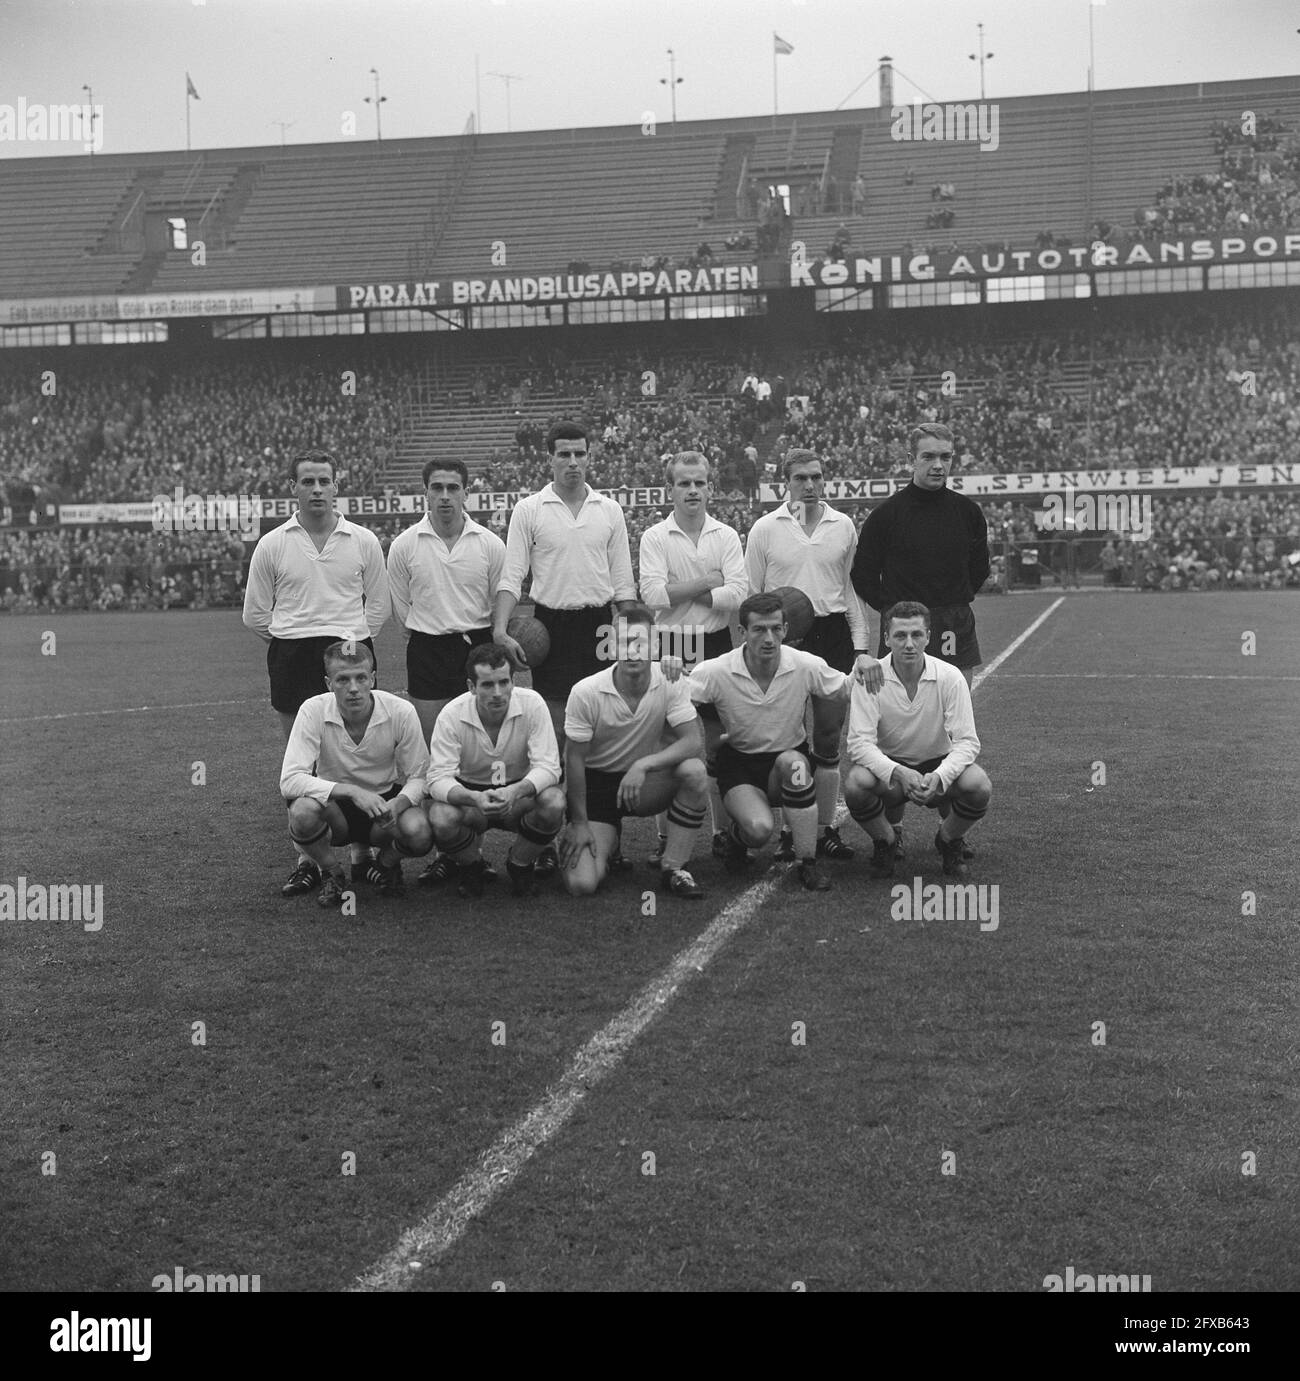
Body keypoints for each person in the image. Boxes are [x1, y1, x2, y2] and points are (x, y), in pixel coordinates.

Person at [243, 448, 390, 897]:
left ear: (336, 484)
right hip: (292, 655)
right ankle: (308, 860)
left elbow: (380, 604)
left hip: (349, 652)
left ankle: (363, 855)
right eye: (307, 481)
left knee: (361, 751)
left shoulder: (362, 540)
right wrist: (292, 639)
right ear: (293, 488)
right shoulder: (273, 543)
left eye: (324, 480)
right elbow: (254, 614)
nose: (317, 489)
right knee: (300, 760)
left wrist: (354, 645)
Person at [493, 421, 638, 875]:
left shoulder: (608, 509)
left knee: (602, 736)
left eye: (579, 453)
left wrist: (632, 637)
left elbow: (623, 583)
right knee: (557, 739)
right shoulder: (530, 509)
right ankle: (551, 839)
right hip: (549, 630)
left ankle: (605, 837)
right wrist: (500, 630)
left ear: (590, 455)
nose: (572, 462)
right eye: (563, 454)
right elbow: (512, 575)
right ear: (549, 458)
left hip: (599, 627)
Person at [744, 448, 883, 863]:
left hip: (834, 633)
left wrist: (860, 647)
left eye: (816, 477)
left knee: (827, 736)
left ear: (825, 480)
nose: (809, 484)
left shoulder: (843, 526)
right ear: (785, 482)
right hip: (781, 637)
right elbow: (753, 594)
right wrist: (755, 645)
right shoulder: (765, 529)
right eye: (800, 477)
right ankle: (791, 830)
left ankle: (825, 831)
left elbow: (851, 591)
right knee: (785, 737)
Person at [681, 592, 852, 892]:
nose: (769, 638)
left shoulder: (805, 664)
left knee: (796, 764)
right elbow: (674, 694)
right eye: (759, 629)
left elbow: (848, 685)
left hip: (786, 764)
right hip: (740, 768)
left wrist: (865, 663)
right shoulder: (716, 671)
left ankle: (807, 864)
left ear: (787, 630)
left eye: (776, 628)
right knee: (759, 830)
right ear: (742, 632)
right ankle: (735, 838)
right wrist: (667, 667)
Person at [636, 451, 746, 862]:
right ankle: (666, 839)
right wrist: (707, 583)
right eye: (684, 483)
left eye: (699, 482)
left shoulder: (727, 535)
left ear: (710, 488)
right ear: (671, 489)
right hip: (669, 646)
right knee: (666, 743)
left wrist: (681, 587)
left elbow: (737, 596)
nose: (693, 490)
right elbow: (652, 596)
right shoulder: (654, 537)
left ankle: (722, 834)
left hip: (715, 646)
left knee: (719, 744)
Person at [559, 605, 708, 901]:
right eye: (624, 642)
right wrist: (578, 823)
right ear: (611, 646)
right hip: (597, 788)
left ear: (655, 645)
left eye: (640, 642)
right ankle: (609, 843)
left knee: (694, 772)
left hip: (644, 784)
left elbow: (692, 741)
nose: (632, 650)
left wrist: (644, 764)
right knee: (581, 884)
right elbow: (573, 759)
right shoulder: (585, 691)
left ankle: (674, 867)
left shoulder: (669, 680)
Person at [843, 602, 991, 881]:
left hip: (937, 763)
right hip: (892, 770)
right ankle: (886, 841)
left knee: (979, 784)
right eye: (900, 636)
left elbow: (968, 742)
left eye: (916, 635)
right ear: (886, 639)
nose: (909, 644)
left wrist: (939, 776)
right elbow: (859, 743)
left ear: (928, 637)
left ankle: (948, 839)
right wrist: (898, 772)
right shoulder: (871, 676)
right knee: (855, 784)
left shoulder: (950, 676)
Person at [280, 640, 433, 907]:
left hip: (383, 808)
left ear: (372, 679)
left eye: (361, 677)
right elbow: (290, 781)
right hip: (335, 810)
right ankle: (332, 873)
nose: (353, 688)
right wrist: (352, 791)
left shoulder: (400, 710)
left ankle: (384, 865)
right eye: (342, 680)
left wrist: (400, 802)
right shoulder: (312, 709)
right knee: (302, 811)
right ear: (328, 683)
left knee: (420, 832)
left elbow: (421, 775)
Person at [852, 423, 990, 689]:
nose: (938, 465)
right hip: (903, 624)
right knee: (901, 711)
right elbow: (863, 574)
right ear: (910, 460)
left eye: (945, 457)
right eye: (928, 457)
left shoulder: (968, 512)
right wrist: (893, 608)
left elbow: (979, 568)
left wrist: (953, 599)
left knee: (954, 711)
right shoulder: (886, 515)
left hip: (953, 621)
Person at [425, 642, 566, 899]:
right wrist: (474, 798)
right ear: (471, 687)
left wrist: (515, 791)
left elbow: (549, 767)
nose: (498, 692)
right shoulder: (451, 714)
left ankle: (519, 864)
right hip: (470, 797)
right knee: (440, 816)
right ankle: (473, 866)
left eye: (504, 682)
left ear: (513, 681)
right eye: (488, 685)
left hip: (519, 794)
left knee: (554, 801)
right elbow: (437, 779)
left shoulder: (532, 703)